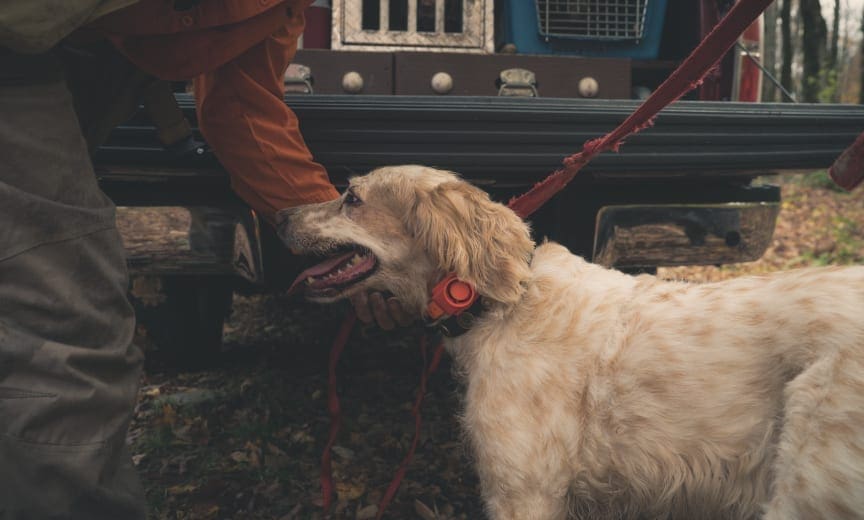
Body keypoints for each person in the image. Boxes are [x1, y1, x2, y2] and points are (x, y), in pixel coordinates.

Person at [0, 1, 409, 517]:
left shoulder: (277, 11)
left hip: (33, 61)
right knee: (66, 332)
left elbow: (244, 108)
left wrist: (348, 246)